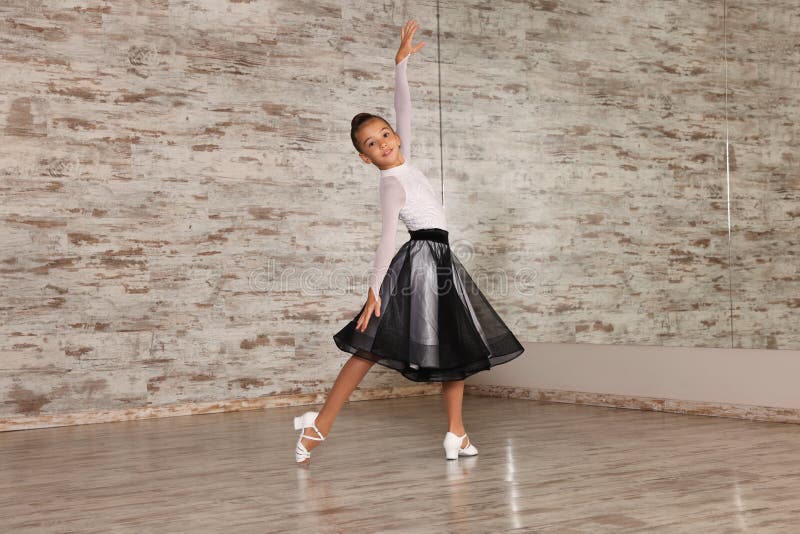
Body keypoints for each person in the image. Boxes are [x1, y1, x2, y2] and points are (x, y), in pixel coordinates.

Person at [293, 19, 524, 465]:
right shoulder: (391, 184)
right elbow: (384, 240)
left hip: (440, 258)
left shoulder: (405, 157)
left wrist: (400, 66)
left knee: (453, 346)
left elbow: (406, 112)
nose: (384, 143)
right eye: (372, 144)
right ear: (365, 158)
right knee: (370, 344)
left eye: (385, 134)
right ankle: (319, 425)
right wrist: (374, 290)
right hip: (418, 259)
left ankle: (456, 433)